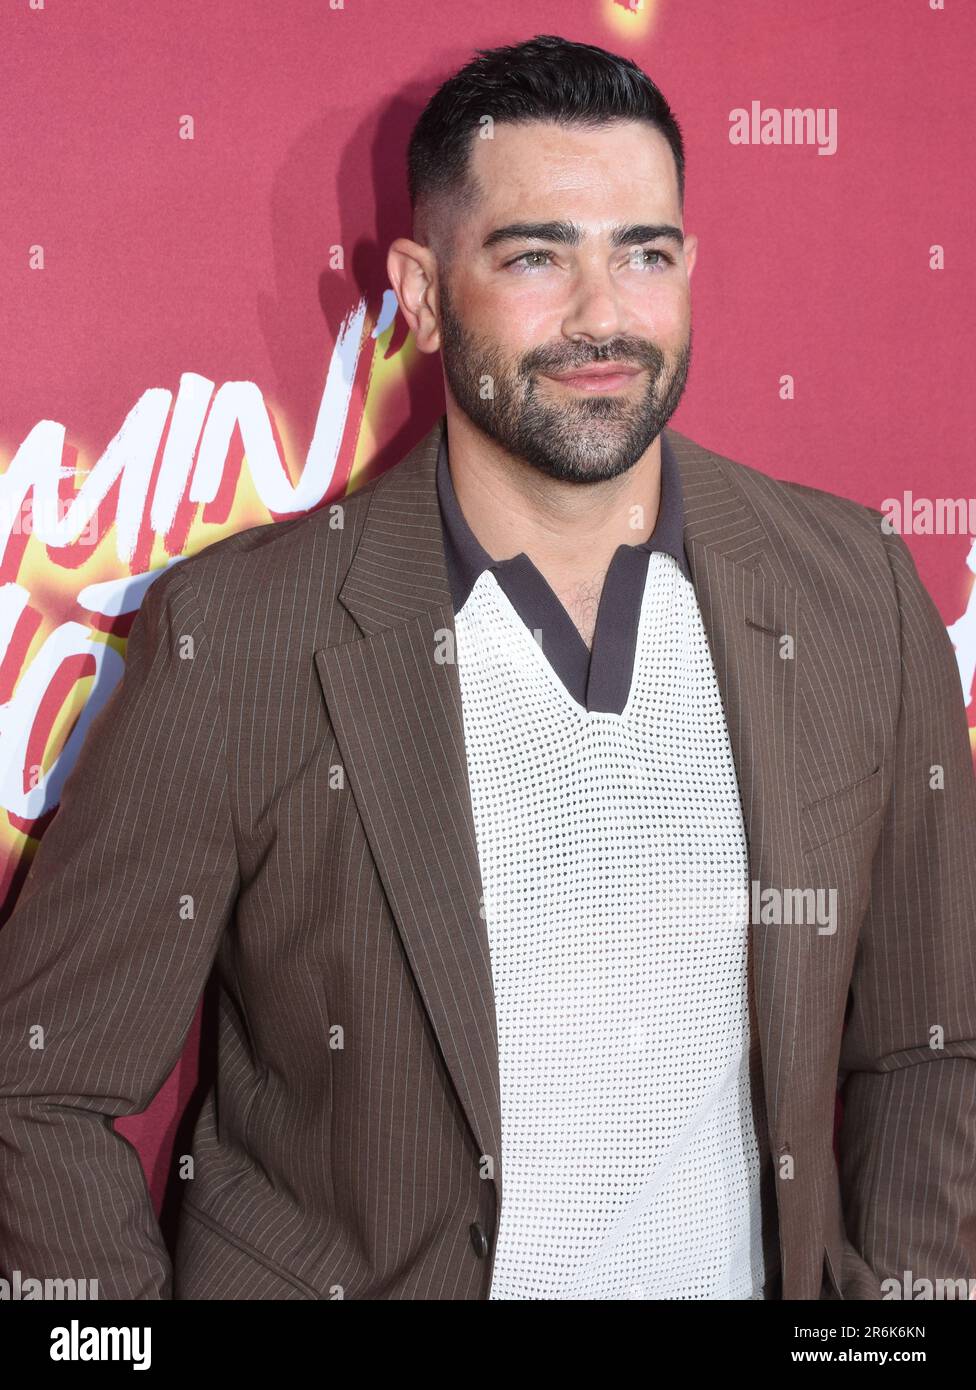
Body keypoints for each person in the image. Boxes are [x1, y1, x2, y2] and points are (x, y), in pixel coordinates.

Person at [1, 33, 974, 1302]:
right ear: (416, 289)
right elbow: (37, 1086)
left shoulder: (849, 588)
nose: (602, 318)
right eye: (534, 256)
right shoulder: (242, 633)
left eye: (645, 253)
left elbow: (932, 1047)